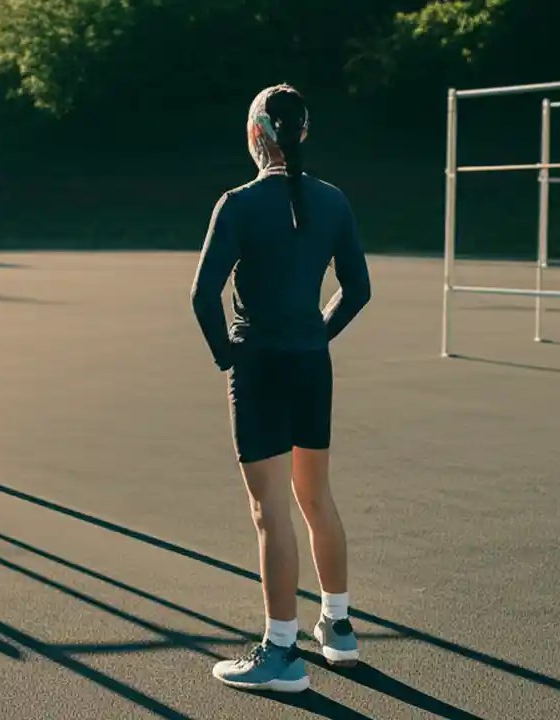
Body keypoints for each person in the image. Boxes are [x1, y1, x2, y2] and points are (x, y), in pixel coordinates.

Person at [190, 84, 371, 693]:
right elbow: (358, 288)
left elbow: (201, 296)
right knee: (315, 498)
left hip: (261, 367)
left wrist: (226, 357)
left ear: (255, 135)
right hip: (310, 366)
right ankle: (339, 629)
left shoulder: (237, 204)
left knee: (271, 512)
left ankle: (282, 654)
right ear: (302, 133)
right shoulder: (335, 201)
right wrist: (318, 333)